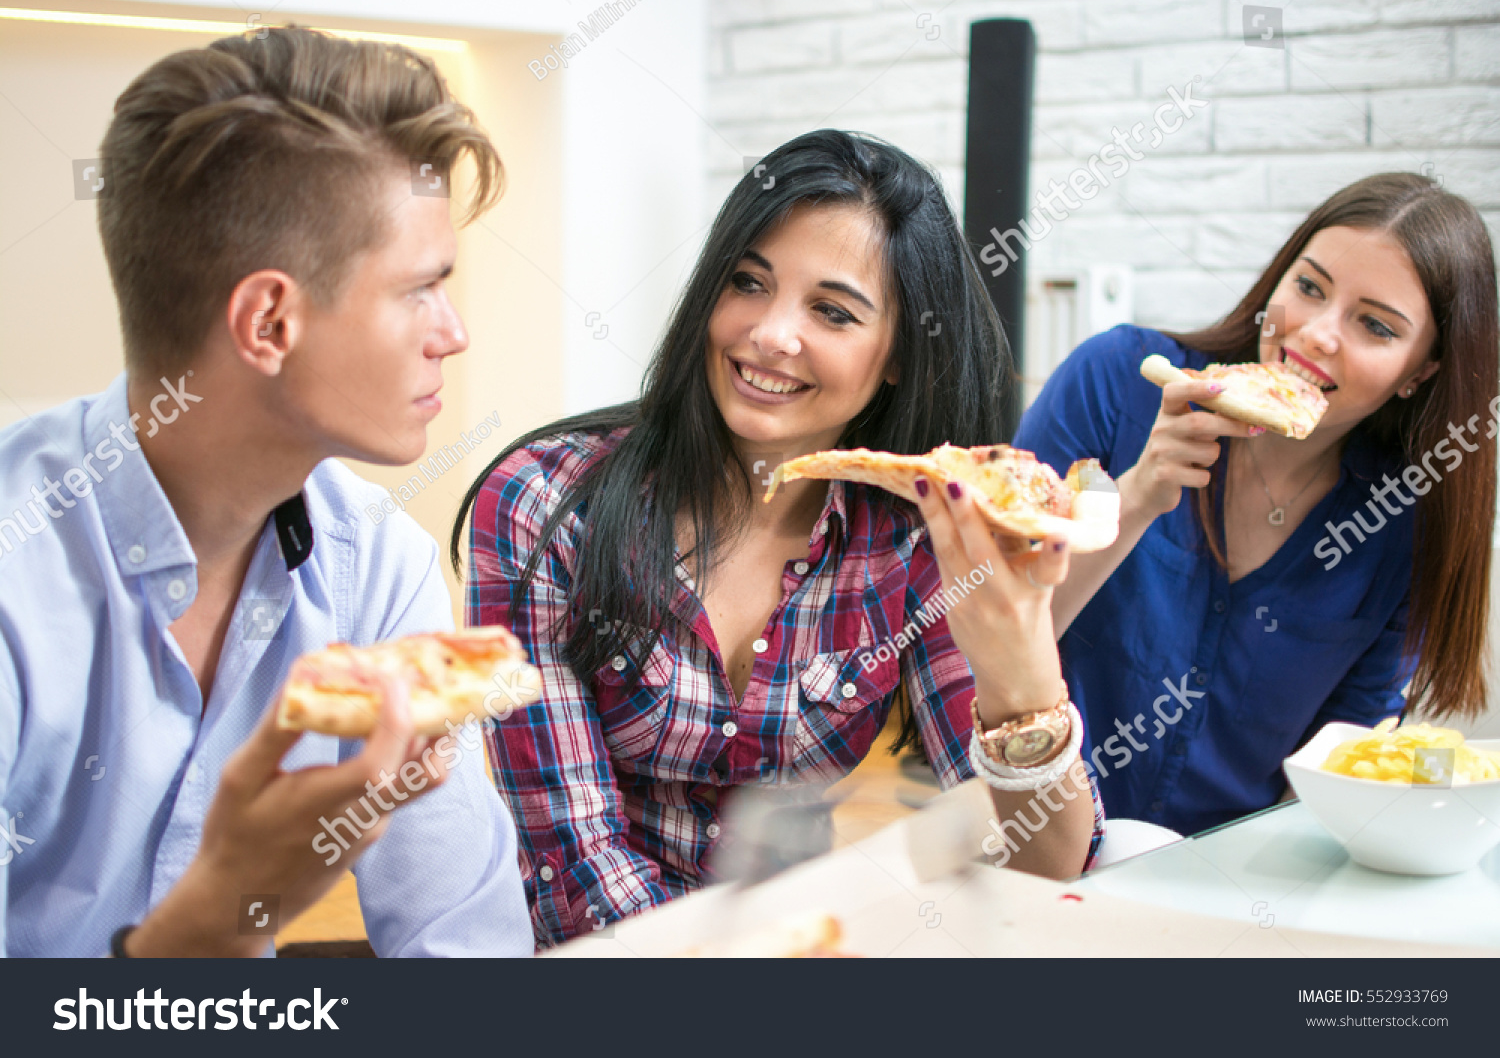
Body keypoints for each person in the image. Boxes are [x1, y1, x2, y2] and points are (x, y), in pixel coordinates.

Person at [455, 130, 1104, 948]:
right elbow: (576, 862)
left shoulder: (917, 533)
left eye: (831, 311)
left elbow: (1049, 866)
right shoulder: (542, 502)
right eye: (748, 283)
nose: (769, 333)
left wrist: (1022, 672)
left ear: (900, 352)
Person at [0, 28, 532, 956]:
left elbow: (465, 949)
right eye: (421, 289)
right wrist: (214, 924)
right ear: (270, 321)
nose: (453, 333)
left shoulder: (379, 568)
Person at [1014, 172, 1497, 836]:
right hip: (1027, 840)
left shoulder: (1400, 525)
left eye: (1375, 325)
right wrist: (1139, 493)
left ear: (1421, 370)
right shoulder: (1117, 383)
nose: (1318, 333)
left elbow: (1336, 772)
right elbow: (990, 634)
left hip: (1229, 884)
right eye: (1309, 287)